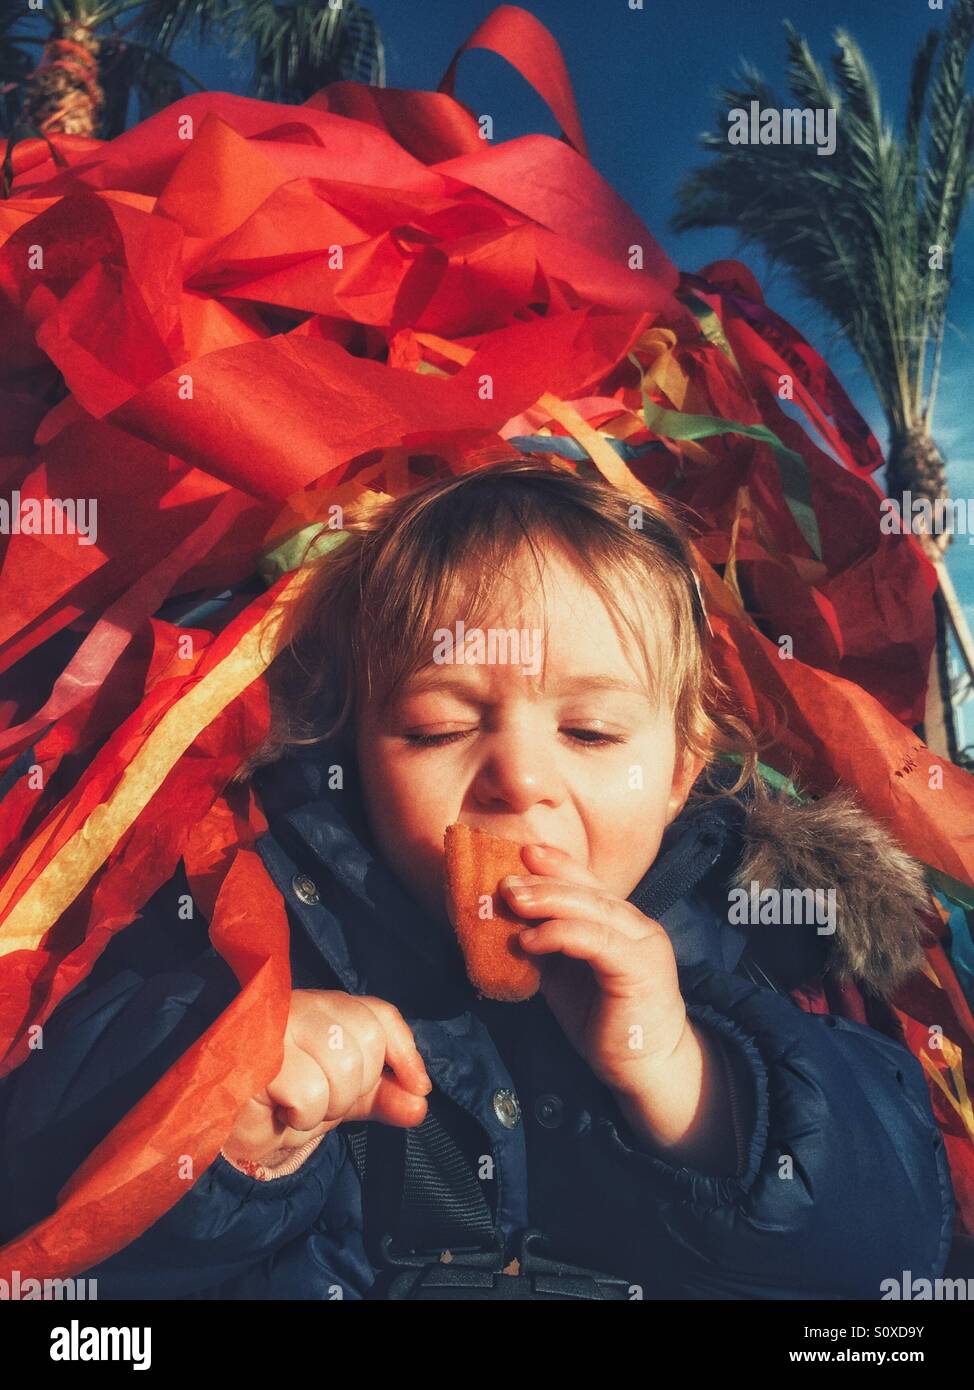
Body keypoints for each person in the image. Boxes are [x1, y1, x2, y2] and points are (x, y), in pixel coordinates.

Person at [0, 459, 955, 1299]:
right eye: (439, 730)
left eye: (589, 732)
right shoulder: (251, 936)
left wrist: (691, 1082)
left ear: (676, 775)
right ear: (357, 757)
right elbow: (44, 1206)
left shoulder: (752, 948)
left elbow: (895, 1250)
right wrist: (225, 1113)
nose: (522, 778)